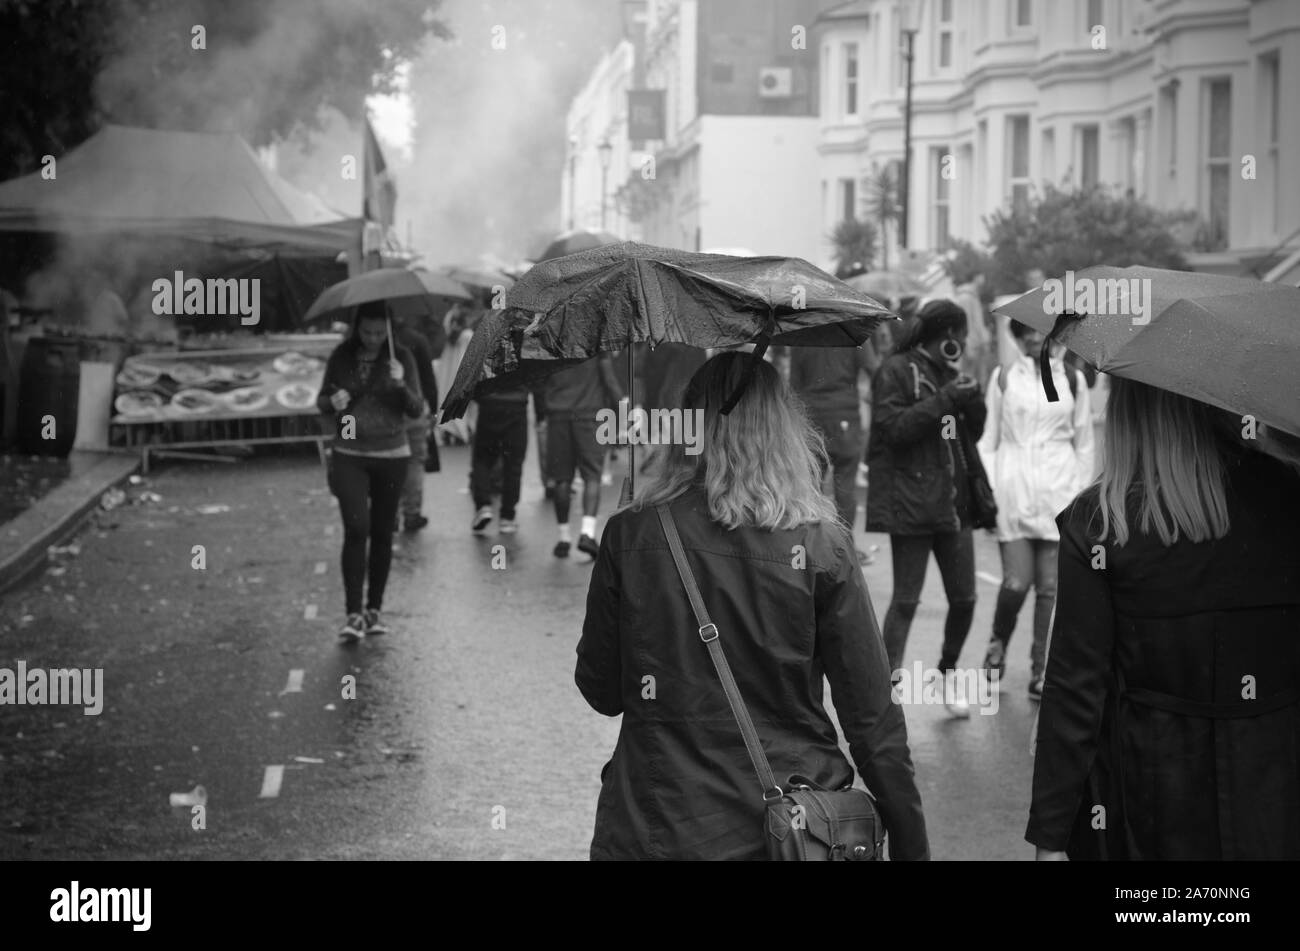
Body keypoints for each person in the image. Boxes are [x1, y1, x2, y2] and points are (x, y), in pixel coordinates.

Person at [576, 352, 930, 860]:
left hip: (653, 827)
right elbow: (874, 723)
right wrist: (913, 847)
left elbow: (602, 690)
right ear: (785, 431)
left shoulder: (631, 533)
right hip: (784, 832)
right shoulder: (820, 546)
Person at [1027, 379, 1300, 860]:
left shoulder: (1104, 523)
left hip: (1151, 789)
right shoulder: (1287, 493)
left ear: (1128, 409)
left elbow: (1075, 688)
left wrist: (1050, 836)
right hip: (1276, 776)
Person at [865, 299, 986, 718]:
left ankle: (948, 674)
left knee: (966, 598)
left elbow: (975, 433)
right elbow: (892, 430)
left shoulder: (951, 373)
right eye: (962, 336)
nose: (964, 344)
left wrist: (972, 400)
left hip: (954, 502)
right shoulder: (895, 370)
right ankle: (884, 689)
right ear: (947, 336)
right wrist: (947, 398)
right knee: (907, 600)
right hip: (912, 501)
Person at [977, 320, 1093, 699]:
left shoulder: (1073, 380)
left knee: (1048, 589)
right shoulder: (1003, 377)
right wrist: (992, 490)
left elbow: (1084, 443)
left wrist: (1078, 495)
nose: (1031, 338)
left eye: (1039, 331)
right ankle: (997, 647)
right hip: (1013, 497)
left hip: (1058, 497)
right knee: (1015, 583)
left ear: (1054, 335)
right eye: (1024, 331)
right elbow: (988, 439)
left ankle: (1041, 672)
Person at [316, 301, 423, 642]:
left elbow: (417, 408)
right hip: (349, 451)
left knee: (381, 531)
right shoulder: (341, 356)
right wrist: (331, 403)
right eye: (367, 332)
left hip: (392, 453)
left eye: (380, 332)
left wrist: (401, 384)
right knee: (356, 527)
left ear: (388, 330)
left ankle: (373, 610)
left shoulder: (401, 357)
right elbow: (321, 399)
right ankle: (352, 614)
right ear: (356, 328)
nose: (374, 339)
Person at [788, 340, 880, 564]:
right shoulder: (852, 334)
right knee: (845, 486)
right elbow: (875, 371)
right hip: (845, 415)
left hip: (811, 416)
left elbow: (793, 383)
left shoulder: (803, 336)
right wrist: (873, 396)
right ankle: (844, 548)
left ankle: (810, 545)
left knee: (810, 486)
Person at [543, 353, 623, 559]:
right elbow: (608, 378)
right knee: (592, 476)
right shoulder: (596, 341)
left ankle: (563, 536)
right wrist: (622, 408)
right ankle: (587, 533)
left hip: (558, 415)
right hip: (589, 414)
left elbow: (541, 380)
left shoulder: (552, 339)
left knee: (562, 478)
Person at [390, 306, 438, 533]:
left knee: (392, 464)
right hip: (415, 412)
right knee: (414, 464)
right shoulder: (417, 340)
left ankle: (392, 515)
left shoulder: (374, 348)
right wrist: (435, 410)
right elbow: (428, 379)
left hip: (390, 415)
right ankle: (411, 513)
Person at [469, 382, 532, 534]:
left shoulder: (482, 355)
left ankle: (483, 505)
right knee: (513, 464)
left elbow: (473, 372)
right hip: (517, 405)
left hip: (490, 403)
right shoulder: (523, 355)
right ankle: (507, 517)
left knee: (483, 459)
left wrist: (479, 396)